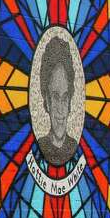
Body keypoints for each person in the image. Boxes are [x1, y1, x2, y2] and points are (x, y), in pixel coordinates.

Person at [37, 35, 78, 166]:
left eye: (65, 97)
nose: (61, 109)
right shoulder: (41, 146)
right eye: (55, 97)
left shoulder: (74, 147)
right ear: (47, 101)